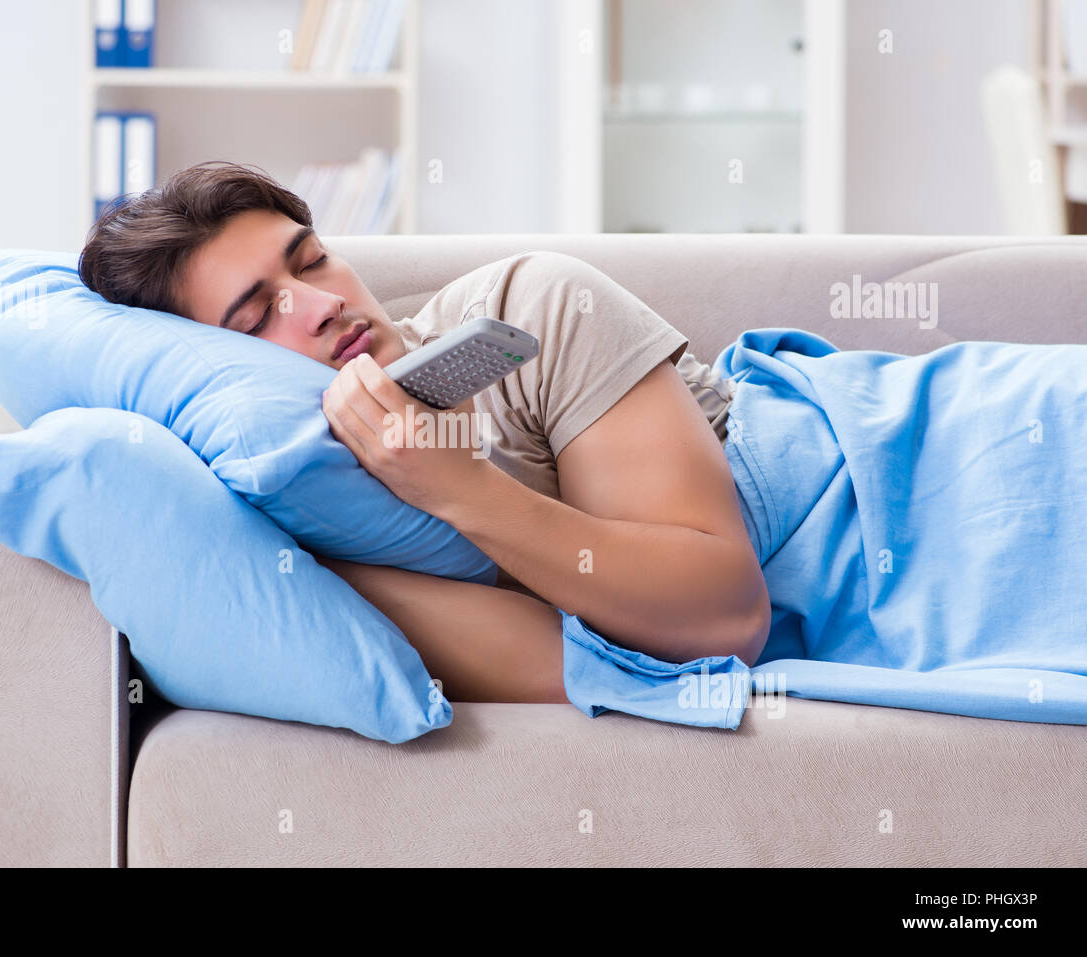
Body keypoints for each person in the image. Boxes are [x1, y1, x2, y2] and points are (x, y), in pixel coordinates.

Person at [78, 160, 771, 704]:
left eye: (313, 258)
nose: (325, 304)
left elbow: (725, 619)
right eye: (259, 317)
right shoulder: (292, 490)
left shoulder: (534, 307)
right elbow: (589, 668)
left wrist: (461, 488)